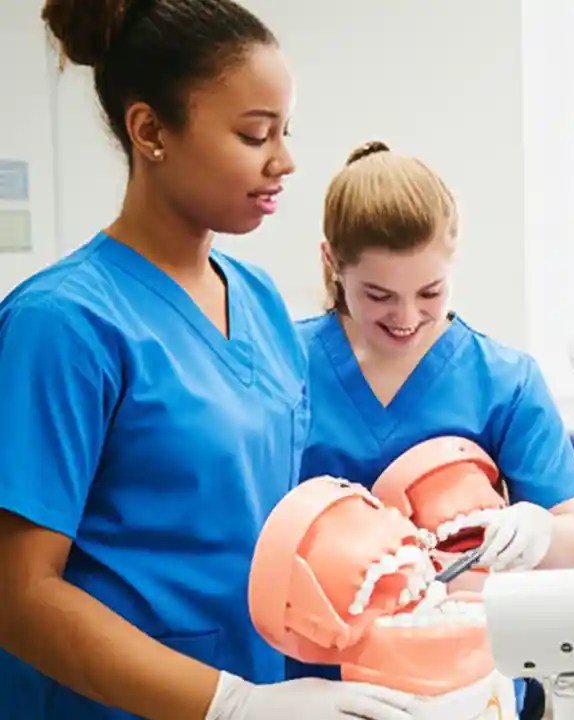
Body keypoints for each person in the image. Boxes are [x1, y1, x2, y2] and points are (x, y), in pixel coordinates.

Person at [0, 2, 428, 719]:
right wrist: (228, 704)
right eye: (253, 133)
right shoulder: (63, 324)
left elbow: (257, 515)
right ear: (149, 131)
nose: (285, 161)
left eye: (284, 132)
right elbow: (19, 595)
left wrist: (389, 564)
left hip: (262, 685)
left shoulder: (257, 299)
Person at [289, 141, 574, 698]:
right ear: (331, 265)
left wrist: (539, 530)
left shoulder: (505, 379)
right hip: (323, 692)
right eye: (379, 295)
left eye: (430, 291)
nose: (407, 318)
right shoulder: (282, 368)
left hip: (468, 687)